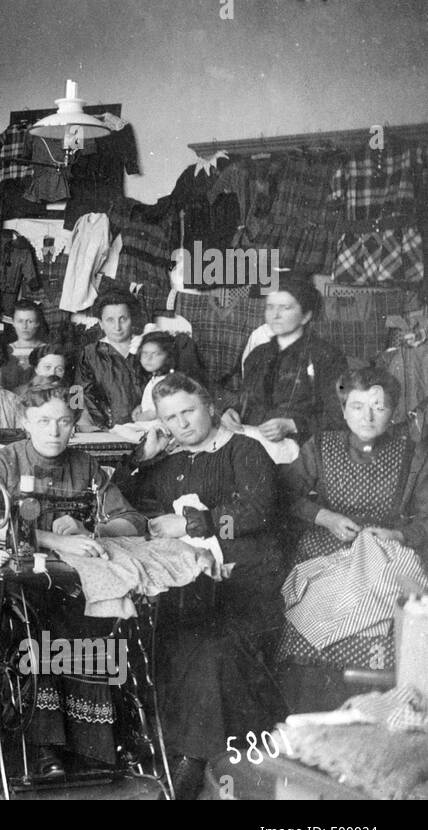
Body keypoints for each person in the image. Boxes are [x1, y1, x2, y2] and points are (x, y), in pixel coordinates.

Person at [122, 372, 288, 799]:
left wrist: (196, 522)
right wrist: (141, 459)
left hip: (244, 580)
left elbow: (256, 513)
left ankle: (191, 762)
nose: (181, 424)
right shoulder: (169, 464)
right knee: (169, 635)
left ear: (210, 406)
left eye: (188, 411)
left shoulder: (243, 450)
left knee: (208, 645)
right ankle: (178, 753)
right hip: (186, 583)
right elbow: (126, 510)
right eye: (170, 417)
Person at [0, 383, 148, 776]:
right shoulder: (2, 461)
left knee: (94, 623)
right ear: (25, 423)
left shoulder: (85, 465)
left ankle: (92, 746)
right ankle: (45, 748)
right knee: (35, 627)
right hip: (16, 582)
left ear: (74, 426)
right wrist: (52, 538)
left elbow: (131, 520)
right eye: (44, 421)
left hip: (72, 581)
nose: (54, 431)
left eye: (64, 422)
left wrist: (90, 530)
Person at [277, 367, 428, 713]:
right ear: (343, 409)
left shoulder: (413, 453)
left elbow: (426, 518)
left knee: (393, 621)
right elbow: (283, 495)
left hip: (387, 551)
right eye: (357, 406)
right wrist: (325, 517)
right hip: (328, 549)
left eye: (379, 406)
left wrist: (398, 534)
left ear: (394, 412)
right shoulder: (321, 445)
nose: (368, 416)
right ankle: (311, 725)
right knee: (316, 617)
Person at [223, 274, 347, 444]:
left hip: (302, 450)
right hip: (251, 445)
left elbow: (340, 417)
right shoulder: (257, 355)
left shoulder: (327, 357)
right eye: (270, 307)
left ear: (306, 316)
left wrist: (293, 425)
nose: (275, 315)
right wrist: (232, 412)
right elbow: (247, 403)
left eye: (285, 308)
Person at [77, 290, 142, 429]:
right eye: (110, 320)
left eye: (123, 319)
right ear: (101, 323)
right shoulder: (90, 354)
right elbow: (76, 392)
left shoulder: (146, 348)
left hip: (148, 426)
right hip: (107, 430)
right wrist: (80, 421)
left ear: (132, 319)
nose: (117, 327)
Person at [0, 299, 51, 392]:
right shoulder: (4, 351)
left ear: (38, 323)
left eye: (30, 321)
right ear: (13, 322)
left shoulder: (48, 351)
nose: (24, 326)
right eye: (20, 321)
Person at [131, 331, 177, 422]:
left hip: (158, 426)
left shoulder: (166, 382)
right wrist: (141, 407)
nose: (148, 358)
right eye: (145, 353)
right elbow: (152, 403)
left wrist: (139, 418)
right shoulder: (154, 378)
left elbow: (156, 412)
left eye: (155, 354)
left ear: (168, 357)